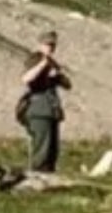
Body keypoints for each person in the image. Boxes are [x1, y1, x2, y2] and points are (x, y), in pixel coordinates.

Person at [15, 30, 71, 173]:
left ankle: (49, 175)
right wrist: (42, 65)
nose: (50, 48)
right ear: (40, 44)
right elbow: (26, 79)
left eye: (52, 45)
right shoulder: (35, 59)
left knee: (53, 149)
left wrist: (58, 76)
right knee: (42, 149)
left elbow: (67, 85)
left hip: (51, 109)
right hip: (38, 108)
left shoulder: (54, 64)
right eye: (47, 44)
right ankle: (36, 176)